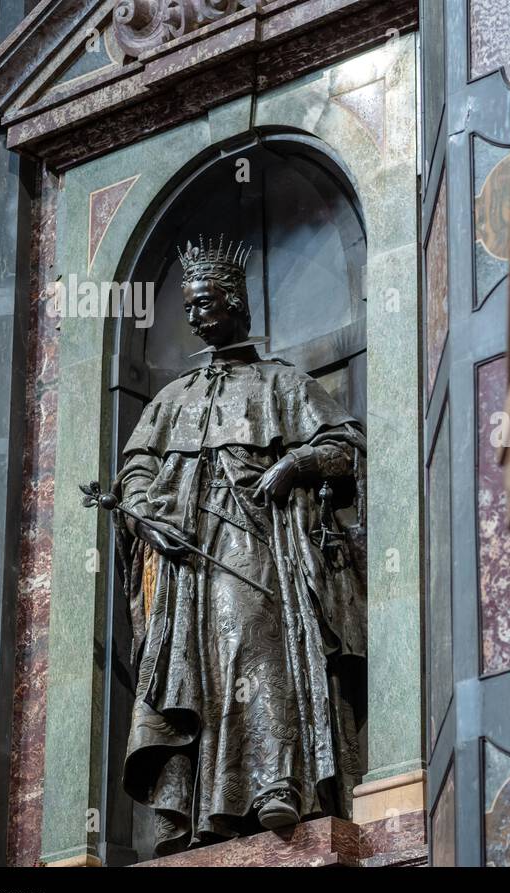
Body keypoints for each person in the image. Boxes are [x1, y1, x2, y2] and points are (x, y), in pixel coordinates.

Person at [112, 236, 365, 855]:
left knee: (254, 648)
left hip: (263, 552)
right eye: (190, 307)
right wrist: (146, 517)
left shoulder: (282, 384)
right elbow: (135, 473)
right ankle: (198, 810)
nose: (196, 318)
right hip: (186, 568)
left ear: (235, 305)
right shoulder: (171, 400)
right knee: (195, 671)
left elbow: (347, 449)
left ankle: (275, 783)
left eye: (205, 305)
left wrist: (296, 464)